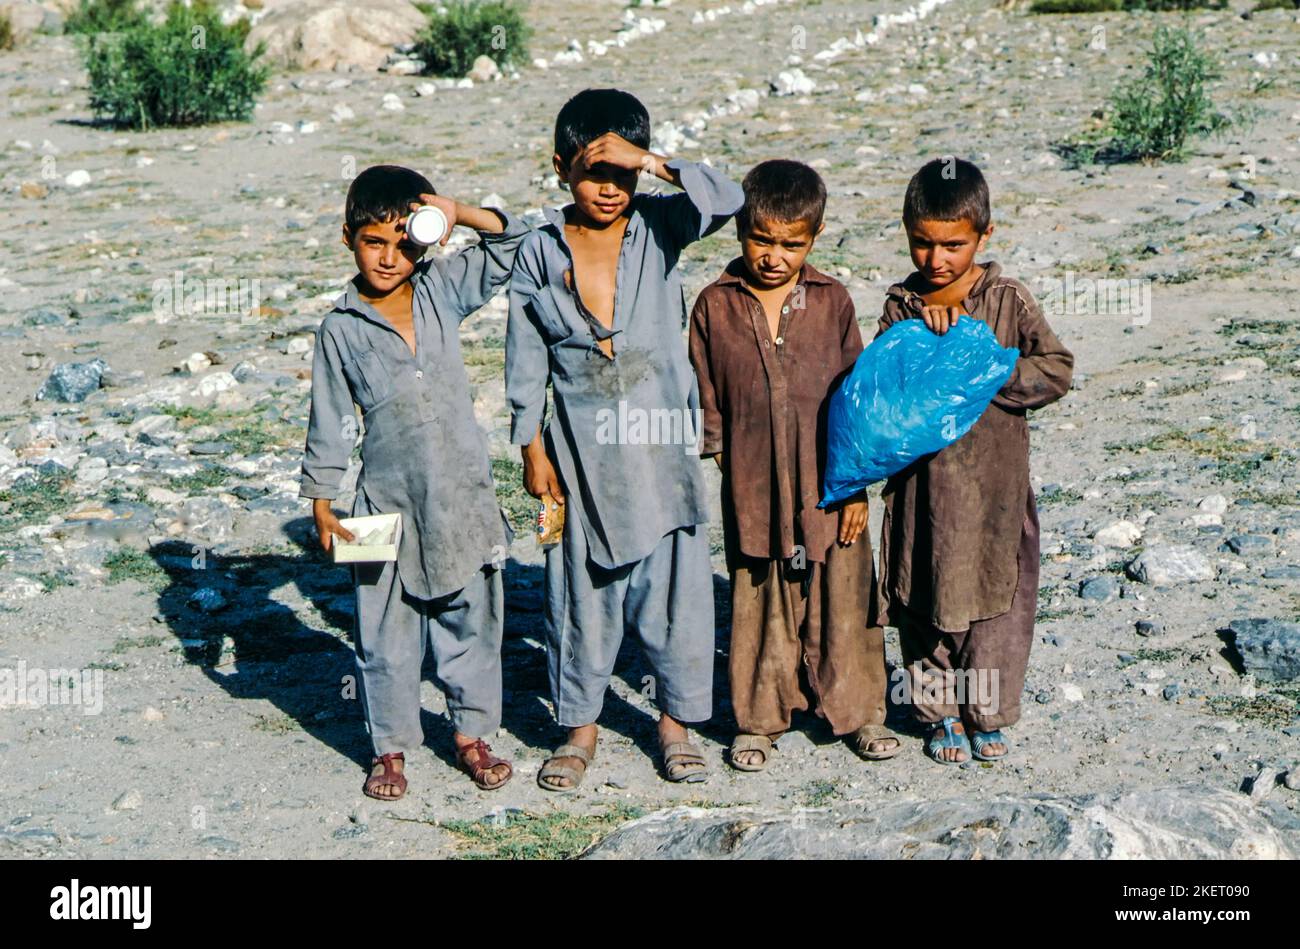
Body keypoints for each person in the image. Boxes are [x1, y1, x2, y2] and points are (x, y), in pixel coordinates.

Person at [506, 88, 744, 788]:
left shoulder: (661, 224)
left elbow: (730, 200)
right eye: (592, 172)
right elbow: (524, 359)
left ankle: (675, 722)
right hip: (580, 453)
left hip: (663, 443)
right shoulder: (538, 252)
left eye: (621, 175)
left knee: (675, 588)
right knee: (577, 590)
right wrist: (530, 446)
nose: (608, 190)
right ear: (559, 167)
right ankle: (579, 728)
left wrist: (652, 160)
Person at [300, 164, 530, 799]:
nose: (390, 257)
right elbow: (329, 421)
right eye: (376, 241)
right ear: (348, 237)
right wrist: (321, 503)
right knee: (383, 633)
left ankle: (472, 735)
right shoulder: (339, 329)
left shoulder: (441, 290)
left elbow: (513, 243)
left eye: (406, 242)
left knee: (473, 622)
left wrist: (455, 210)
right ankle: (391, 748)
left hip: (463, 493)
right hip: (379, 502)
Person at [689, 159, 898, 772]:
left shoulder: (833, 302)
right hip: (753, 482)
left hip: (831, 481)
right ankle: (759, 720)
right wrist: (725, 458)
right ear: (739, 230)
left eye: (791, 243)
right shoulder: (714, 305)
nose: (774, 256)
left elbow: (857, 399)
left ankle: (860, 713)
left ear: (815, 235)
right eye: (762, 239)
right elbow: (707, 397)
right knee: (759, 597)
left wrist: (856, 487)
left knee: (844, 593)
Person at [876, 157, 1073, 764]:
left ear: (985, 236)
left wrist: (982, 362)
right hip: (923, 490)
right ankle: (937, 714)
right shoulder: (901, 305)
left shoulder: (1008, 300)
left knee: (997, 599)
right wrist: (925, 347)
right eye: (922, 244)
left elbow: (1056, 371)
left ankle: (986, 711)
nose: (936, 260)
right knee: (923, 596)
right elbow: (882, 392)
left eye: (953, 245)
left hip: (995, 488)